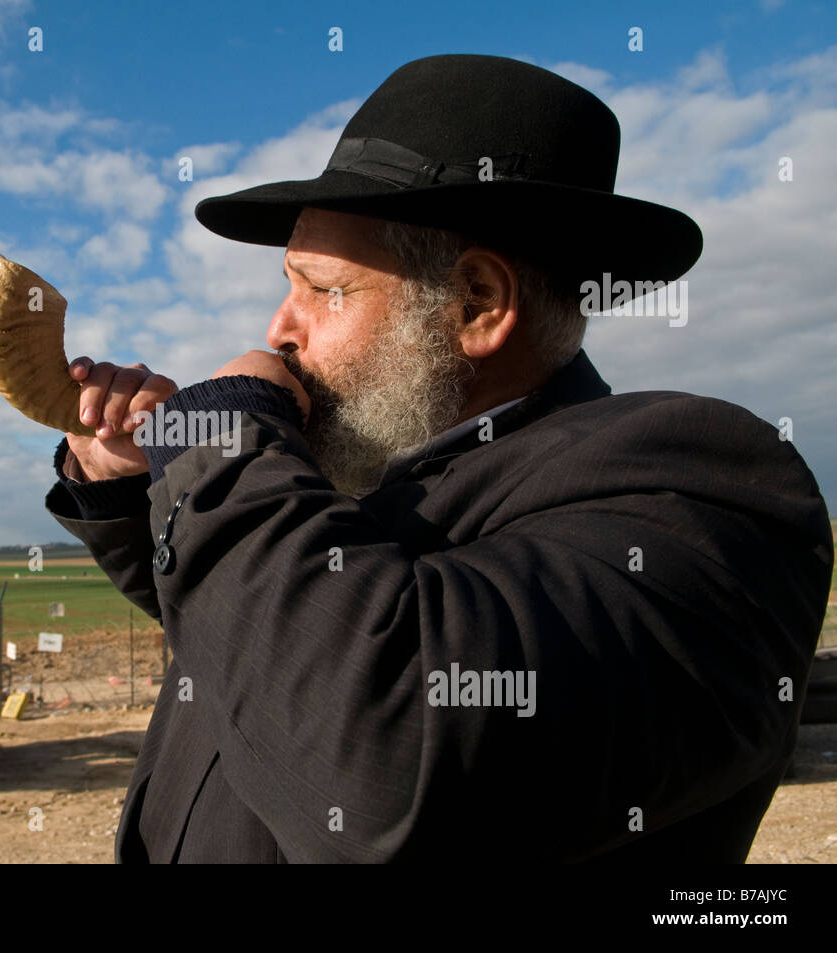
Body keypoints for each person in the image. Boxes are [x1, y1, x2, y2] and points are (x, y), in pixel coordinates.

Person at [43, 54, 833, 862]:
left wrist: (221, 450)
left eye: (323, 289)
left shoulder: (703, 493)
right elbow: (256, 635)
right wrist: (138, 486)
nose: (280, 327)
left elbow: (381, 749)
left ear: (476, 303)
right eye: (289, 284)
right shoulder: (381, 473)